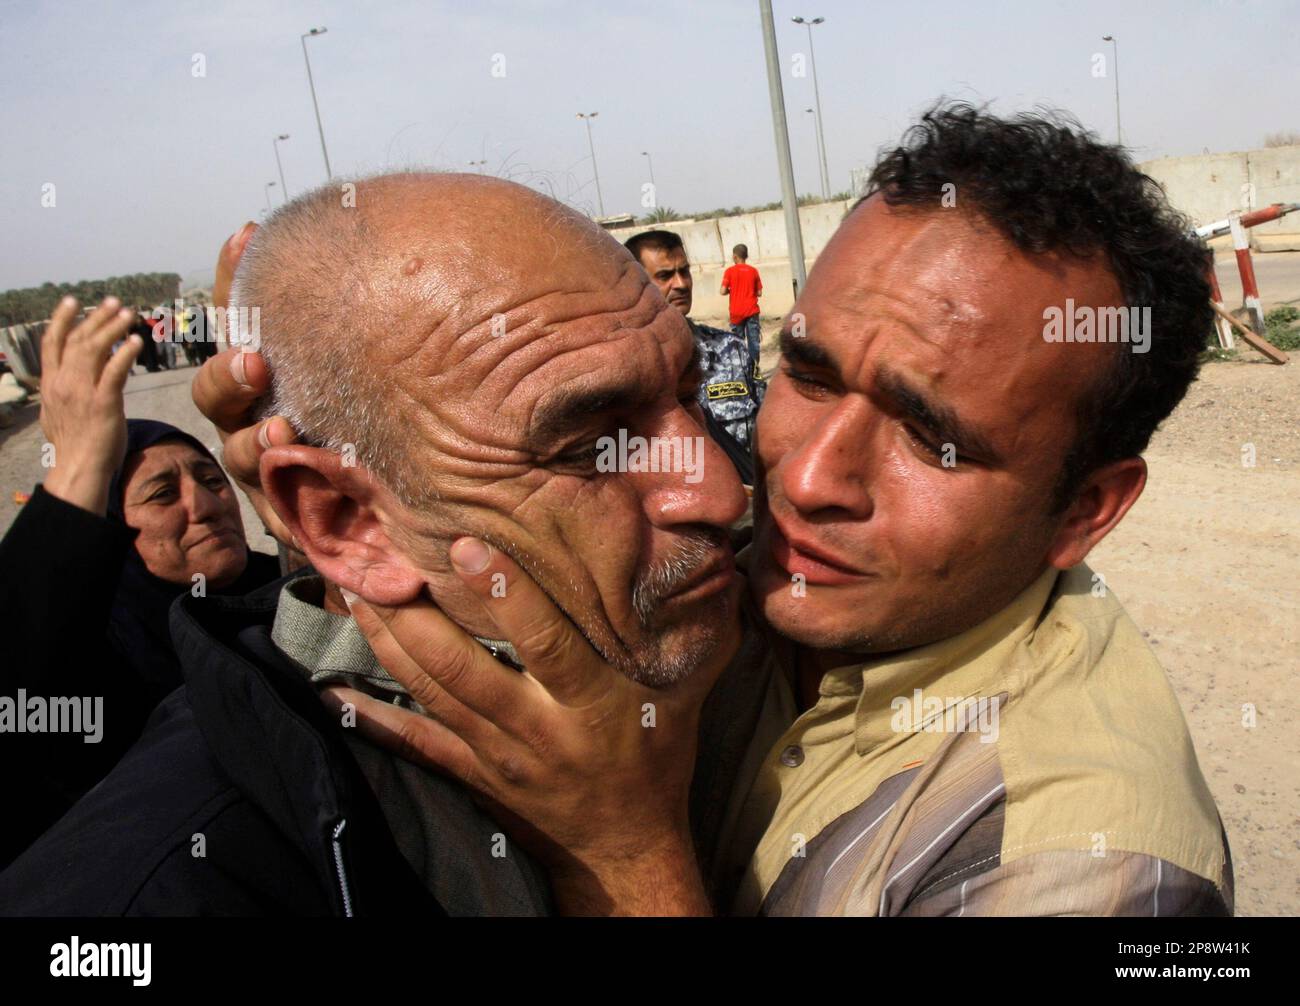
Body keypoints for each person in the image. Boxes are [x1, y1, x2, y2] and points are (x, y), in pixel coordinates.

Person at [298, 105, 1235, 916]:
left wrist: (624, 856)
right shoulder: (740, 569)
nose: (804, 477)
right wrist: (353, 508)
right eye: (811, 376)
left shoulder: (1079, 862)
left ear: (1086, 510)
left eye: (929, 436)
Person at [0, 174, 753, 916]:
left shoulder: (737, 639)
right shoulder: (159, 888)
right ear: (344, 520)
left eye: (686, 396)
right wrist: (628, 862)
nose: (721, 491)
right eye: (593, 446)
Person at [0, 296, 279, 868]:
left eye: (211, 478)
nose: (203, 505)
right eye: (160, 494)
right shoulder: (97, 650)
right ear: (107, 528)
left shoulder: (273, 591)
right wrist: (79, 465)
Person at [625, 230, 764, 471]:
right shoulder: (624, 370)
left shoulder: (731, 350)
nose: (680, 284)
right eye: (665, 275)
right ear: (636, 284)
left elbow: (771, 428)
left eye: (684, 271)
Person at [720, 243, 762, 381]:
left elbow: (722, 291)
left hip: (736, 313)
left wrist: (733, 290)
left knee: (737, 342)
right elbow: (759, 292)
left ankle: (741, 373)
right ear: (746, 256)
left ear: (735, 256)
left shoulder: (729, 272)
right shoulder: (753, 271)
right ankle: (754, 371)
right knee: (753, 342)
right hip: (751, 311)